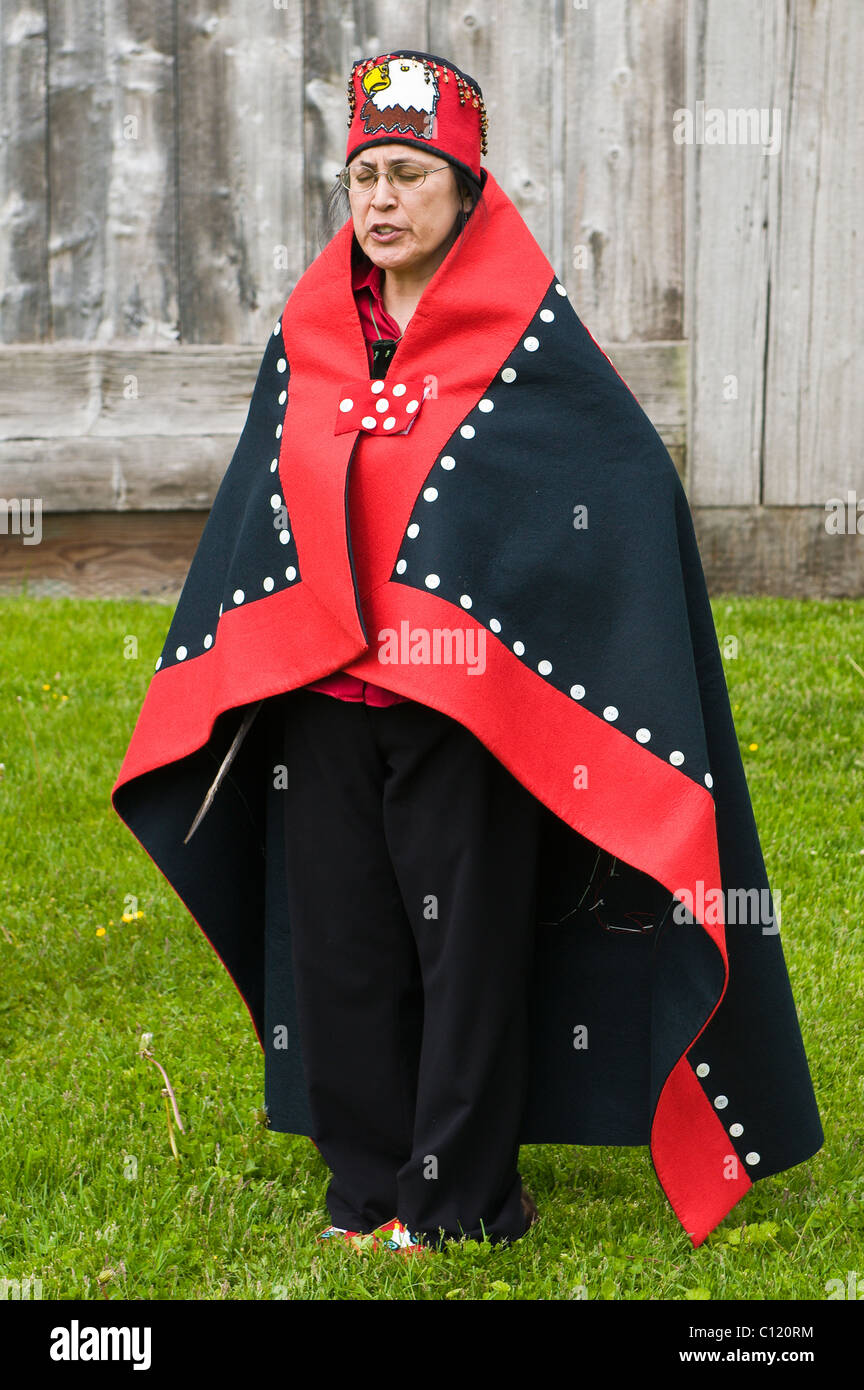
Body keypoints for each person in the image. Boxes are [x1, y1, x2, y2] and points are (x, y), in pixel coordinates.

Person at [111, 48, 823, 1259]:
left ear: (465, 189)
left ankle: (461, 1202)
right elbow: (260, 500)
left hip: (467, 714)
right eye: (363, 178)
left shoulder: (524, 339)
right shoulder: (312, 331)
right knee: (340, 949)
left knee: (467, 952)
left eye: (408, 176)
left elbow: (622, 479)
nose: (381, 202)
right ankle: (365, 1191)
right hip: (321, 700)